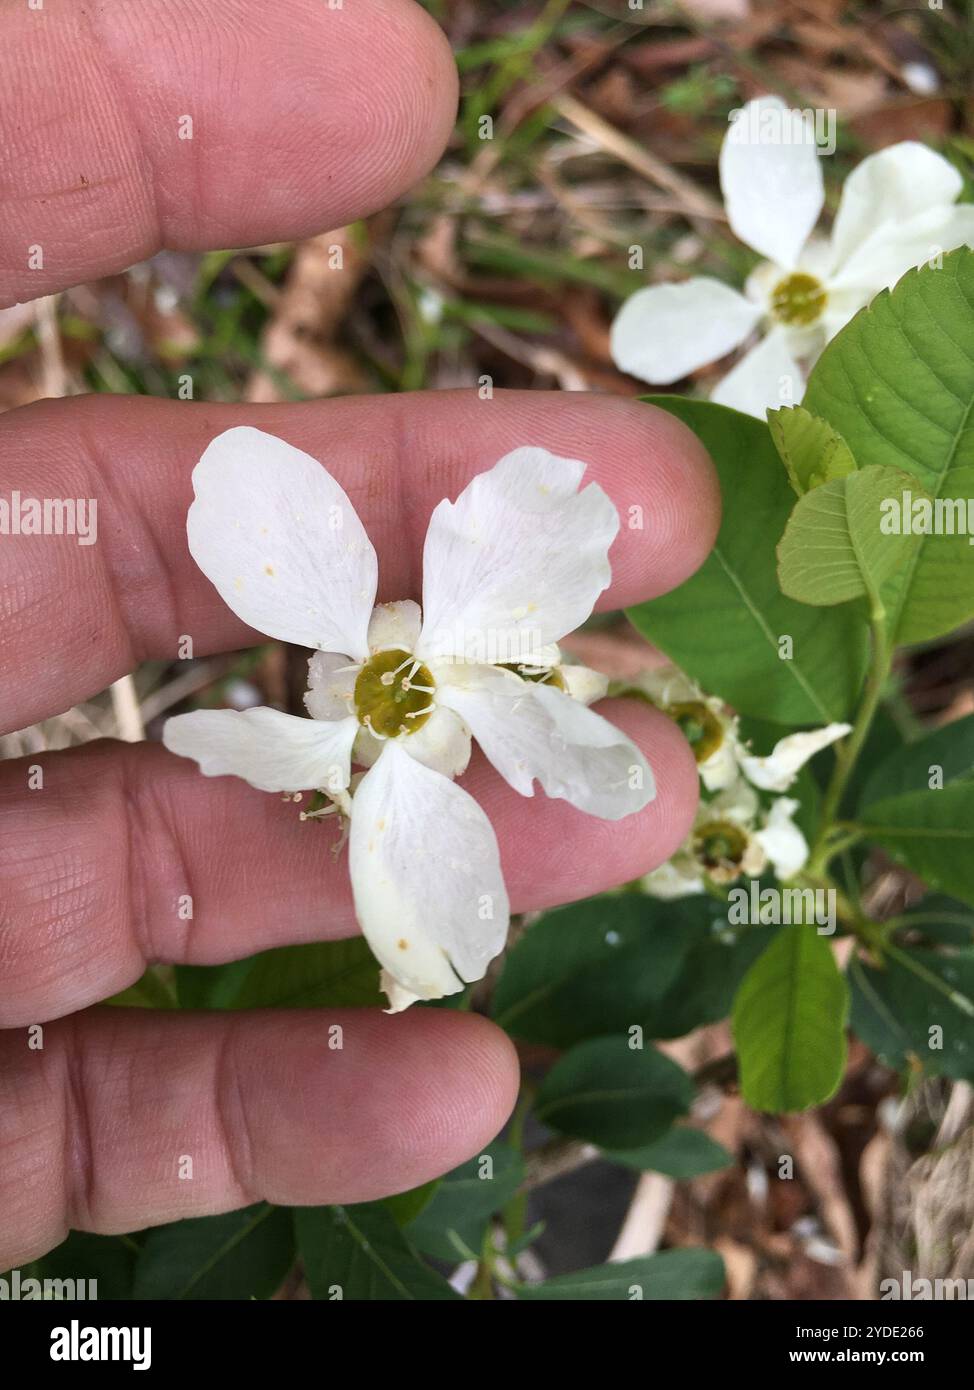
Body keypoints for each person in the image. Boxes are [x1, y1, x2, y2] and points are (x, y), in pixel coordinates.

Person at [0, 0, 719, 1268]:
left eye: (395, 696)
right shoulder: (350, 650)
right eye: (393, 693)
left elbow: (569, 753)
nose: (393, 697)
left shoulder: (418, 697)